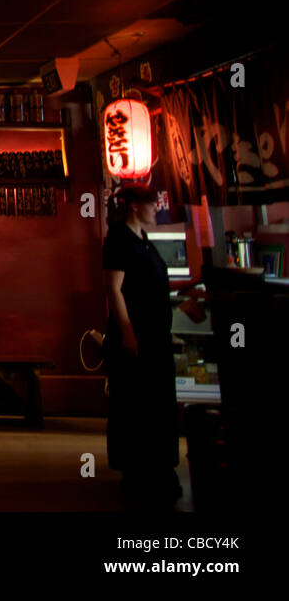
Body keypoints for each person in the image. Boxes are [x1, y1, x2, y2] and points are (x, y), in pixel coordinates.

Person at [102, 183, 181, 507]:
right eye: (152, 204)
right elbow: (114, 289)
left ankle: (158, 472)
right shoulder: (120, 239)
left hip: (155, 334)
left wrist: (186, 293)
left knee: (158, 406)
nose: (157, 209)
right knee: (138, 407)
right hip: (137, 335)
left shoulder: (143, 240)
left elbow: (152, 284)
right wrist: (127, 331)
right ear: (135, 206)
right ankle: (140, 475)